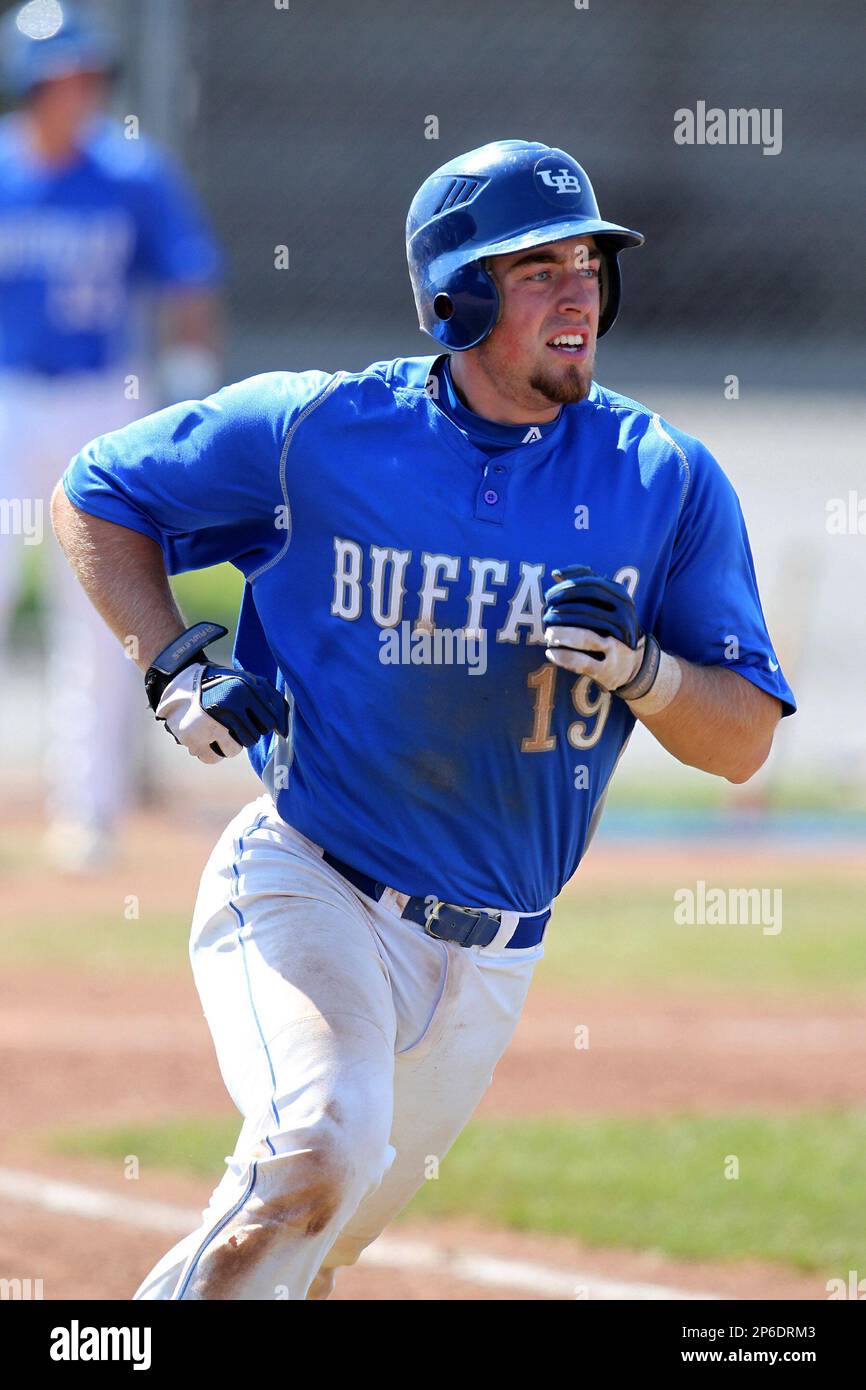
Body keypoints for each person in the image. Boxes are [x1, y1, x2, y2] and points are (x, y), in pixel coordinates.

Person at [51, 139, 795, 1300]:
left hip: (497, 952)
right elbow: (94, 494)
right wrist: (173, 665)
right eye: (536, 267)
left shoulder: (664, 478)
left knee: (309, 1245)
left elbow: (741, 739)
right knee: (313, 1154)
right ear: (457, 296)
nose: (576, 293)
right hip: (312, 882)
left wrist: (645, 672)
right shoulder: (318, 432)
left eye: (587, 265)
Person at [0, 0, 223, 868]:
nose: (80, 89)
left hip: (100, 402)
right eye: (64, 74)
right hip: (8, 397)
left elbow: (190, 280)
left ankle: (86, 811)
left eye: (90, 73)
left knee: (94, 612)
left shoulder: (133, 174)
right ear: (30, 81)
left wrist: (191, 381)